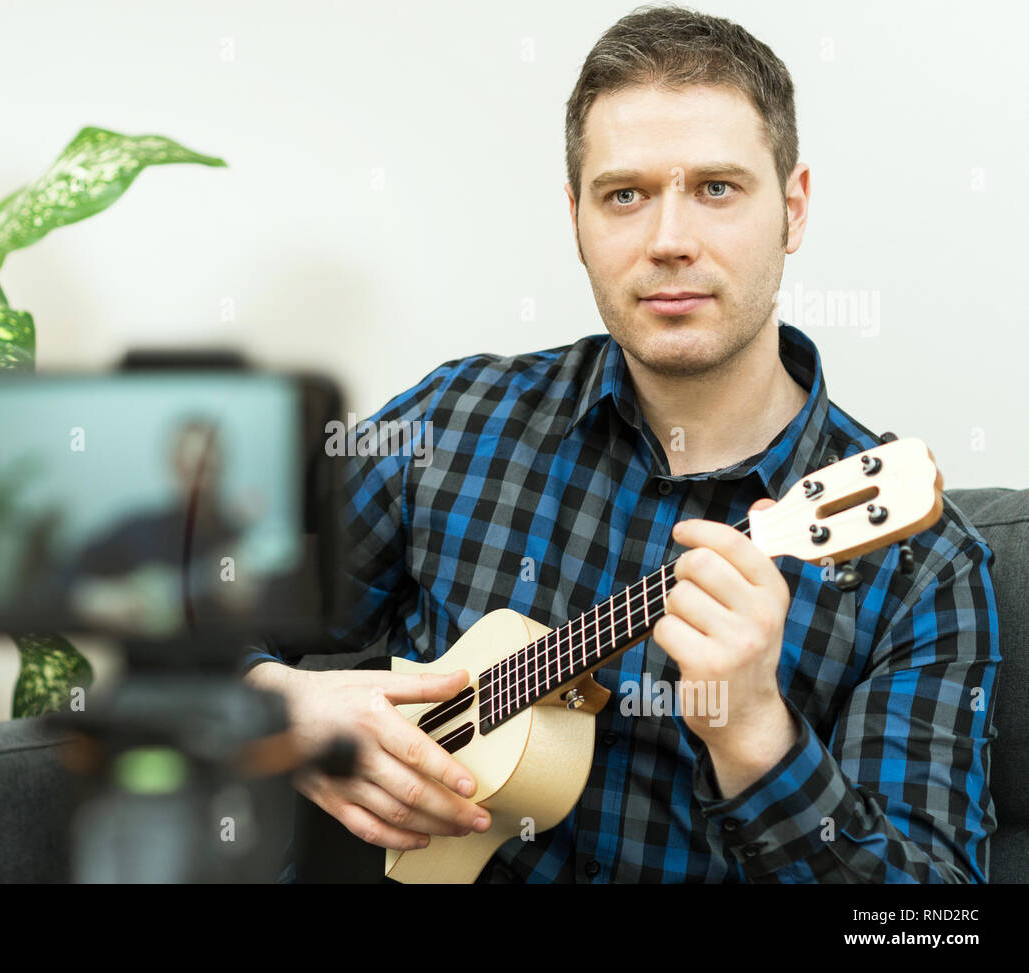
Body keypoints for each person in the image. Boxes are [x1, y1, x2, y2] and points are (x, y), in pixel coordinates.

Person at [244, 4, 1000, 883]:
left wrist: (757, 738)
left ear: (793, 209)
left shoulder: (924, 568)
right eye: (625, 195)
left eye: (717, 188)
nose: (669, 240)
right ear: (576, 219)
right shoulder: (452, 424)